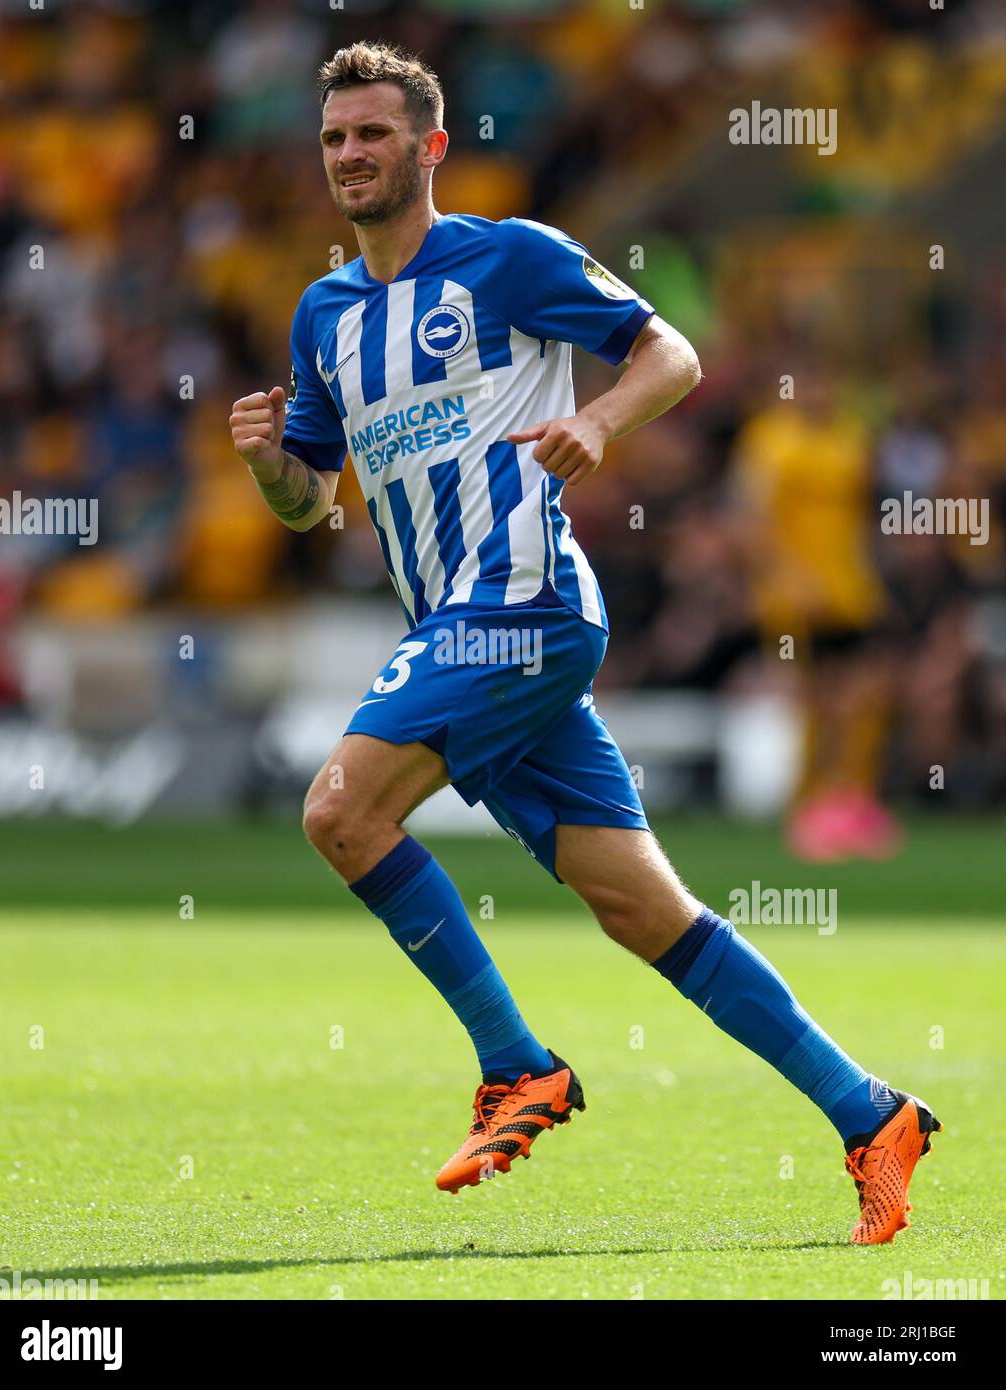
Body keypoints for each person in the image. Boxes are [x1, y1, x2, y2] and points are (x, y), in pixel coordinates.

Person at [228, 42, 939, 1243]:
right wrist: (268, 468)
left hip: (521, 602)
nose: (351, 155)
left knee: (342, 812)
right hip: (460, 625)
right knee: (642, 909)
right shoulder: (324, 314)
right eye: (336, 138)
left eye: (375, 135)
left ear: (431, 147)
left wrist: (601, 421)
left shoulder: (510, 256)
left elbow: (674, 351)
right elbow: (309, 500)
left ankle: (517, 1064)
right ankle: (872, 1113)